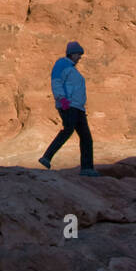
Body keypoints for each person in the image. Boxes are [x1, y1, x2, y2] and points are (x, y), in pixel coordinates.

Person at [39, 41, 100, 176]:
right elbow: (56, 82)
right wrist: (61, 99)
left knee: (86, 137)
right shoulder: (62, 64)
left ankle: (87, 168)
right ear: (72, 54)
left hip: (78, 107)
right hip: (68, 104)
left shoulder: (72, 68)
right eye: (79, 54)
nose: (80, 57)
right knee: (68, 130)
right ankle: (46, 157)